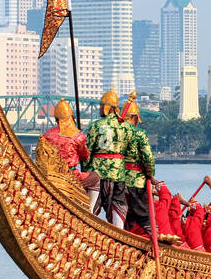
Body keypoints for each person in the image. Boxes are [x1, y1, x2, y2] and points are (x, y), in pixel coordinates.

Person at [83, 88, 128, 225]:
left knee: (90, 206)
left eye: (101, 106)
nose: (99, 109)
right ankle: (119, 234)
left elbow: (88, 151)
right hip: (118, 173)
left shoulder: (95, 126)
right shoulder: (125, 127)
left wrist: (85, 170)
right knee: (118, 205)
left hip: (98, 173)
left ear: (107, 107)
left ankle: (87, 227)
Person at [42, 99, 100, 204]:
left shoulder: (48, 134)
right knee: (95, 178)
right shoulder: (78, 136)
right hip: (71, 175)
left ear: (56, 119)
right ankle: (90, 212)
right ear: (71, 118)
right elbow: (85, 157)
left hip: (51, 174)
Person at [118, 95, 157, 237]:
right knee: (144, 215)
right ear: (134, 118)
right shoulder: (139, 133)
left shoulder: (117, 132)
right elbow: (148, 157)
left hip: (118, 179)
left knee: (121, 215)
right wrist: (150, 174)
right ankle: (156, 239)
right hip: (136, 181)